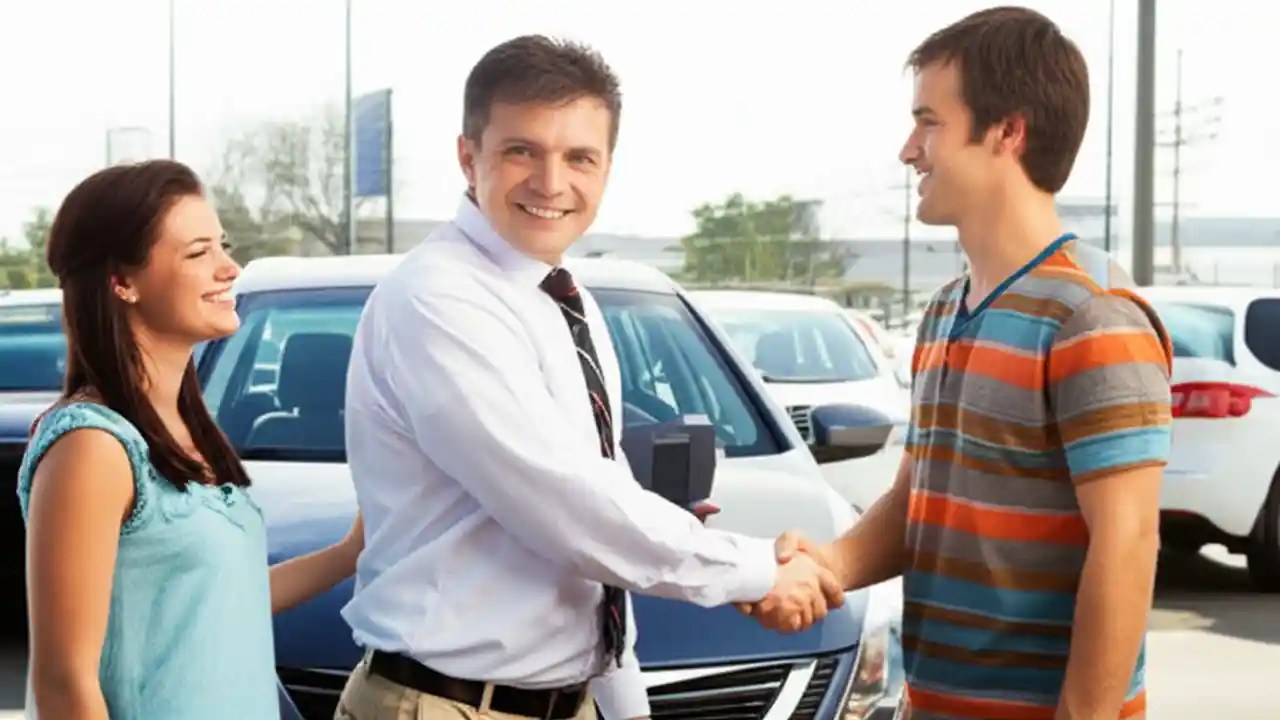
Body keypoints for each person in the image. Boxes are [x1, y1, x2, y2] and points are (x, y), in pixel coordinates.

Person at [335, 35, 842, 720]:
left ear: (606, 168)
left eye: (579, 157)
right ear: (467, 156)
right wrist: (755, 570)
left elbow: (592, 500)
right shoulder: (438, 299)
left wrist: (624, 695)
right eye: (522, 150)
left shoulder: (564, 298)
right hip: (447, 706)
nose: (552, 183)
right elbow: (568, 506)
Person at [760, 7, 1172, 720]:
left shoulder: (1092, 317)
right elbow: (919, 501)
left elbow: (1128, 542)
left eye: (929, 122)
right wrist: (830, 564)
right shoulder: (947, 309)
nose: (908, 150)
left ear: (1007, 132)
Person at [19, 160, 364, 720]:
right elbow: (64, 683)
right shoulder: (92, 447)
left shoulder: (184, 431)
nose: (229, 268)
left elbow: (219, 599)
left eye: (222, 246)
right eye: (198, 252)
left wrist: (348, 555)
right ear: (123, 281)